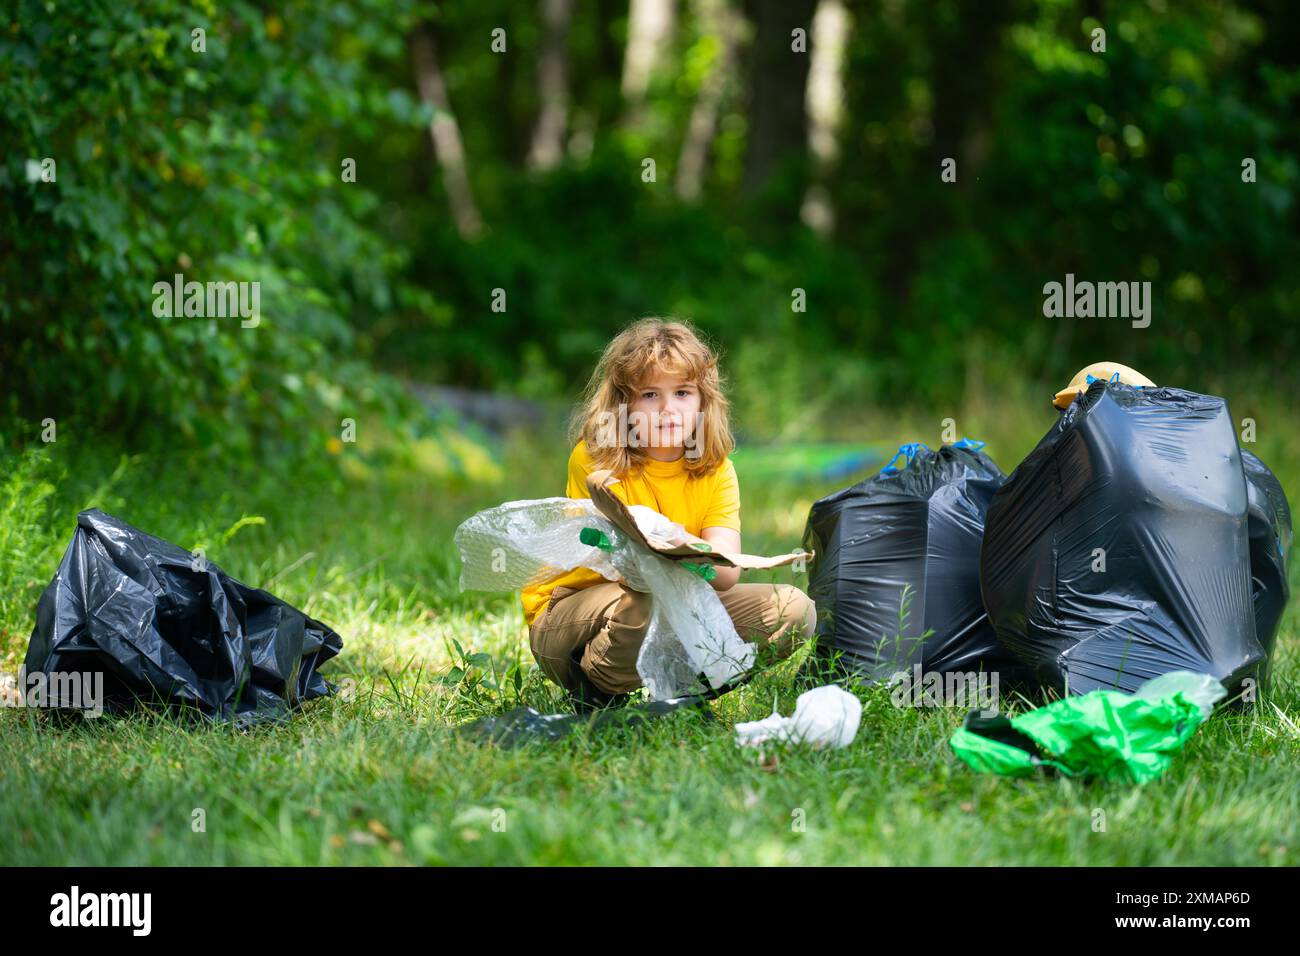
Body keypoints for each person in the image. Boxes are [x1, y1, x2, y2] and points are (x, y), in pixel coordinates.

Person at [521, 317, 817, 713]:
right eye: (649, 395)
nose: (667, 409)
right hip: (575, 617)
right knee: (642, 599)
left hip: (677, 603)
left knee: (794, 611)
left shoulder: (715, 469)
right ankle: (597, 694)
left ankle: (683, 694)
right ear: (623, 404)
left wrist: (685, 544)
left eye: (682, 392)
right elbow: (618, 566)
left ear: (702, 401)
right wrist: (677, 550)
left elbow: (727, 573)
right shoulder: (597, 458)